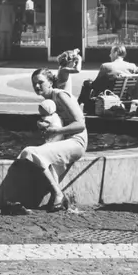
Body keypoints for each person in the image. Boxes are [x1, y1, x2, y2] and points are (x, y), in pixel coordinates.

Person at [14, 68, 87, 212]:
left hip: (76, 142)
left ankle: (58, 194)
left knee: (30, 151)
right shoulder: (48, 101)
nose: (36, 86)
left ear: (50, 82)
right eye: (34, 83)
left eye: (40, 82)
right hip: (64, 141)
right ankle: (55, 198)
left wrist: (56, 131)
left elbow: (81, 124)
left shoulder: (60, 95)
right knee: (35, 156)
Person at [76, 43, 138, 114]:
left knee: (86, 84)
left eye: (111, 52)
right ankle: (77, 105)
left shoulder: (106, 66)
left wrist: (88, 83)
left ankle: (78, 106)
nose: (109, 55)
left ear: (116, 53)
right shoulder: (132, 67)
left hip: (108, 99)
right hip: (125, 100)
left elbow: (96, 85)